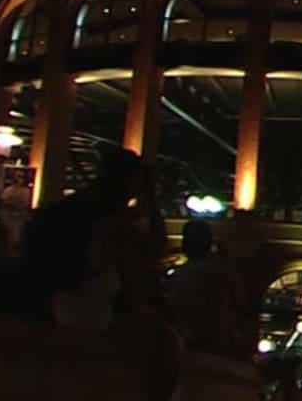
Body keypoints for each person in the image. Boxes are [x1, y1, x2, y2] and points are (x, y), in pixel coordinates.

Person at [21, 147, 181, 401]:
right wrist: (151, 201)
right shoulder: (111, 222)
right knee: (167, 344)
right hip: (88, 308)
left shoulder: (69, 211)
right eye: (133, 187)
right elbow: (156, 246)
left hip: (62, 300)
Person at [168, 219, 248, 356]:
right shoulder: (224, 272)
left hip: (190, 344)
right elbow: (242, 303)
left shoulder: (181, 275)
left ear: (185, 244)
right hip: (217, 344)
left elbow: (173, 308)